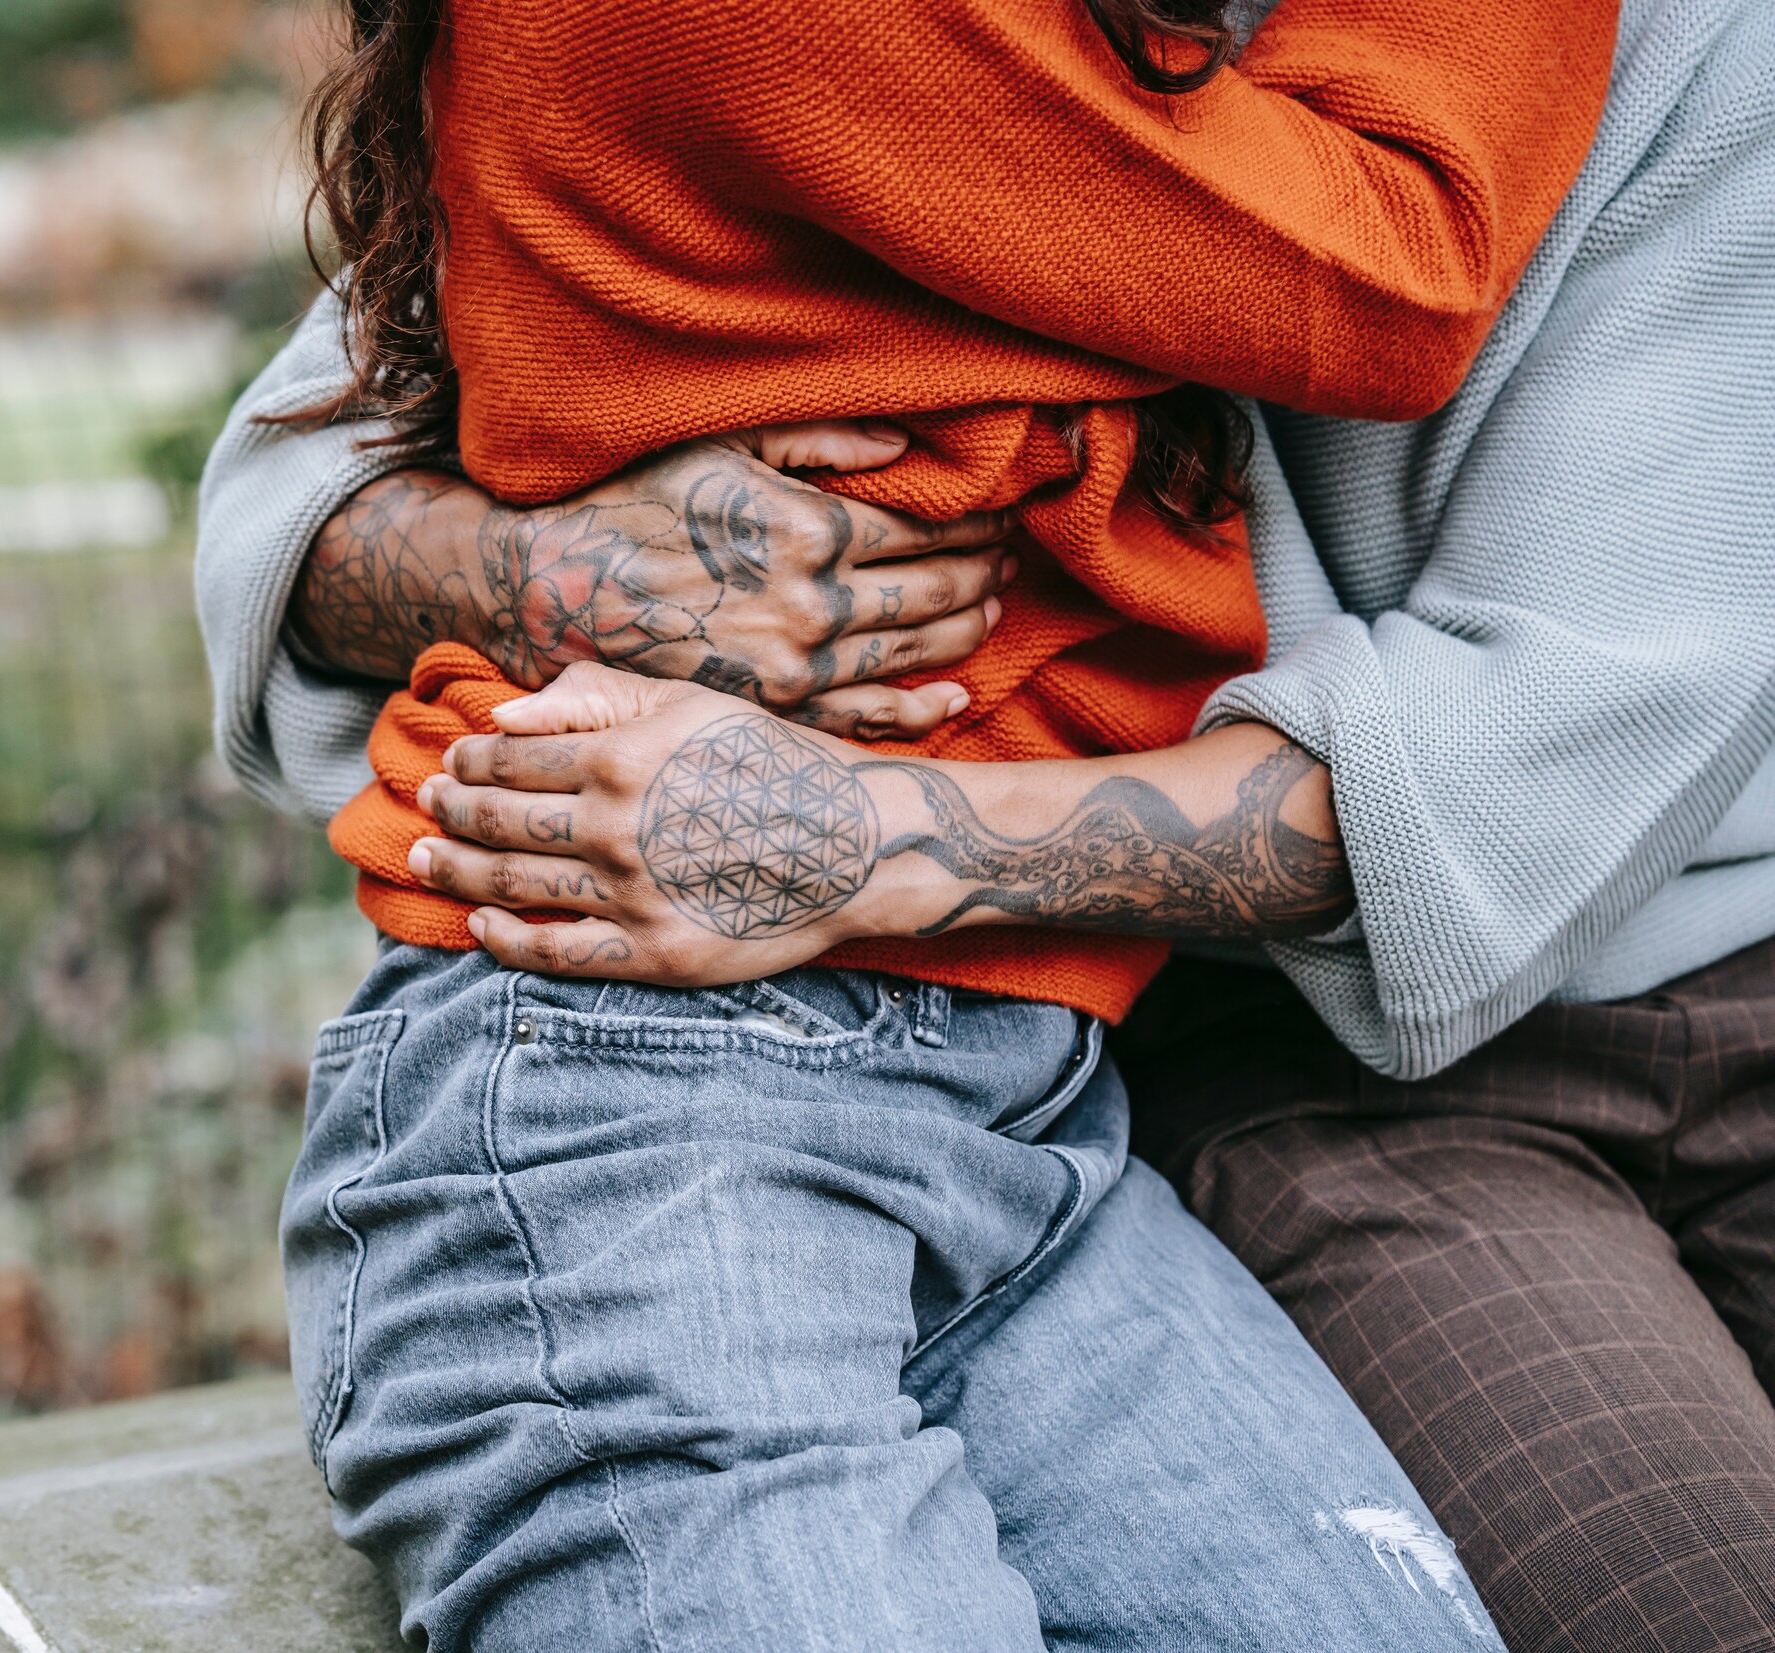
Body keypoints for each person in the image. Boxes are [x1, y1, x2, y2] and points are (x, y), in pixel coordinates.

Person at [198, 0, 1775, 1648]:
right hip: (743, 1069)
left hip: (1033, 1101)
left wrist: (845, 838)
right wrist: (562, 576)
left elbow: (1413, 349)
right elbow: (302, 460)